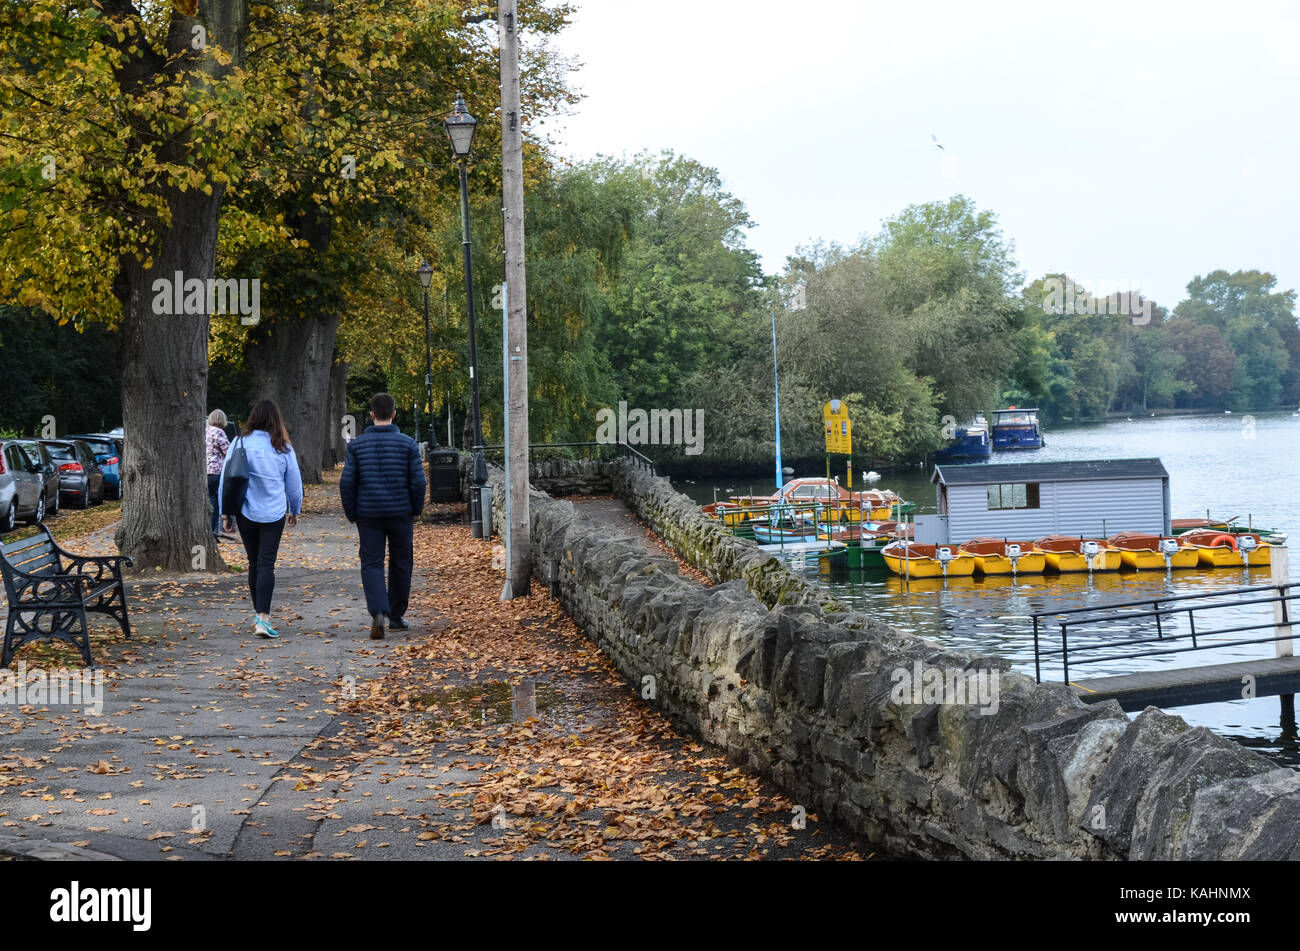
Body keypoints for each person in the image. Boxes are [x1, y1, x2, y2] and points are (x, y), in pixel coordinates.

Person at [339, 393, 426, 639]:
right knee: (401, 562)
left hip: (369, 514)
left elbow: (347, 483)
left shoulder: (356, 446)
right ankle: (396, 617)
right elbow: (419, 482)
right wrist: (416, 509)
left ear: (372, 415)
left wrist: (352, 512)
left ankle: (378, 610)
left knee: (372, 562)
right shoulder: (408, 444)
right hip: (400, 513)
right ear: (394, 414)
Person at [218, 399, 303, 639]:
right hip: (274, 512)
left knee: (254, 563)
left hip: (246, 511)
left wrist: (226, 513)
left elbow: (226, 479)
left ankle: (259, 616)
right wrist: (294, 509)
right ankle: (263, 618)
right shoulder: (283, 447)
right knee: (267, 564)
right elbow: (294, 484)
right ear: (276, 420)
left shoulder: (239, 442)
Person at [205, 410, 231, 540]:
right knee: (216, 502)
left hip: (205, 471)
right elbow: (228, 451)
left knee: (209, 500)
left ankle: (208, 530)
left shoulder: (205, 431)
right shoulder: (219, 432)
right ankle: (213, 531)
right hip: (217, 471)